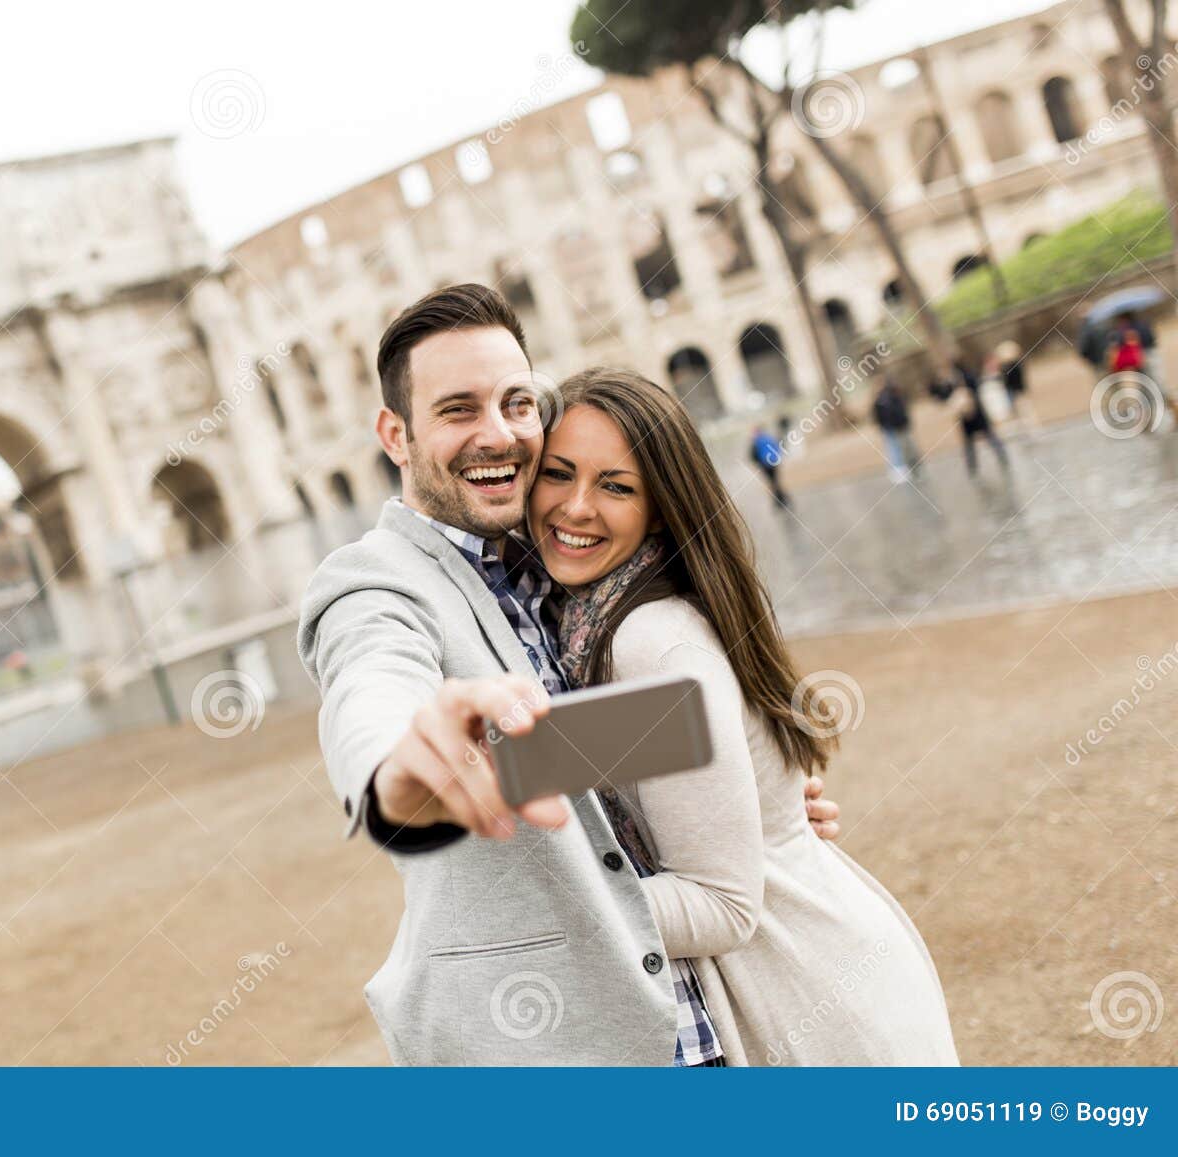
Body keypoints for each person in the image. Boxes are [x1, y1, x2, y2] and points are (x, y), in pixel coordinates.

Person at [298, 284, 843, 1066]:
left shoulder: (557, 567)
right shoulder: (373, 586)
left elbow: (600, 762)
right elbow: (370, 679)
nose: (496, 434)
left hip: (690, 1035)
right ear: (396, 435)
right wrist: (394, 765)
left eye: (516, 403)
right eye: (457, 410)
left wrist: (756, 802)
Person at [526, 367, 959, 1064]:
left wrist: (541, 913)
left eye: (616, 485)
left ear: (660, 509)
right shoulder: (589, 620)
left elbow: (724, 902)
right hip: (823, 971)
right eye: (558, 473)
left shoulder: (649, 643)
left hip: (815, 1011)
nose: (575, 507)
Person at [934, 361, 1008, 478]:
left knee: (988, 437)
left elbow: (975, 388)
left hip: (976, 415)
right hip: (966, 419)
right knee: (971, 443)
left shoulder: (966, 378)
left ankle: (1000, 456)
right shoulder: (951, 383)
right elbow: (942, 397)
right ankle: (973, 466)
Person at [870, 376, 919, 481]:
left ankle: (911, 468)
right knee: (894, 449)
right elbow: (878, 415)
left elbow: (902, 409)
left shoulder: (895, 396)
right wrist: (885, 425)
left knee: (905, 447)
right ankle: (899, 470)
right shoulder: (880, 400)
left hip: (900, 425)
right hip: (890, 428)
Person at [993, 339, 1038, 437]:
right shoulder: (1012, 366)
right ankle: (1024, 430)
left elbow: (1008, 379)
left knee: (1023, 411)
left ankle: (1031, 430)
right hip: (1014, 392)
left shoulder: (1013, 366)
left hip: (1017, 391)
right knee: (1017, 412)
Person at [749, 424, 790, 508]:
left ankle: (779, 500)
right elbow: (778, 447)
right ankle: (782, 498)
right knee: (776, 480)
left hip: (765, 465)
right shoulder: (769, 438)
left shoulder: (756, 442)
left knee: (772, 482)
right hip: (774, 462)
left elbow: (753, 456)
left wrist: (759, 463)